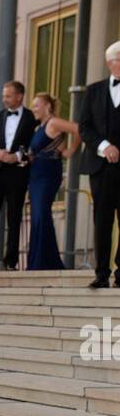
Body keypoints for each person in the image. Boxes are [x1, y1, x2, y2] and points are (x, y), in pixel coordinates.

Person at [0, 80, 37, 271]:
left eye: (8, 96)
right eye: (4, 96)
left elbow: (34, 145)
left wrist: (18, 156)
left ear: (19, 96)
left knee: (14, 219)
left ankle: (11, 262)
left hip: (18, 175)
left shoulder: (31, 118)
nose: (4, 100)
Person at [79, 40, 120, 289]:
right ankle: (102, 273)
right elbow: (84, 127)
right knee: (102, 219)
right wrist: (105, 146)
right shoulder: (93, 91)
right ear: (111, 63)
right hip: (100, 166)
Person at [25, 92, 80, 272]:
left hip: (48, 174)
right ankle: (40, 262)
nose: (34, 109)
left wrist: (72, 150)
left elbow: (78, 129)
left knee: (41, 214)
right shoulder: (39, 127)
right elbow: (57, 147)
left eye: (37, 105)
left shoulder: (54, 122)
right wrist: (64, 150)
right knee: (38, 216)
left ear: (47, 106)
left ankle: (43, 263)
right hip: (35, 174)